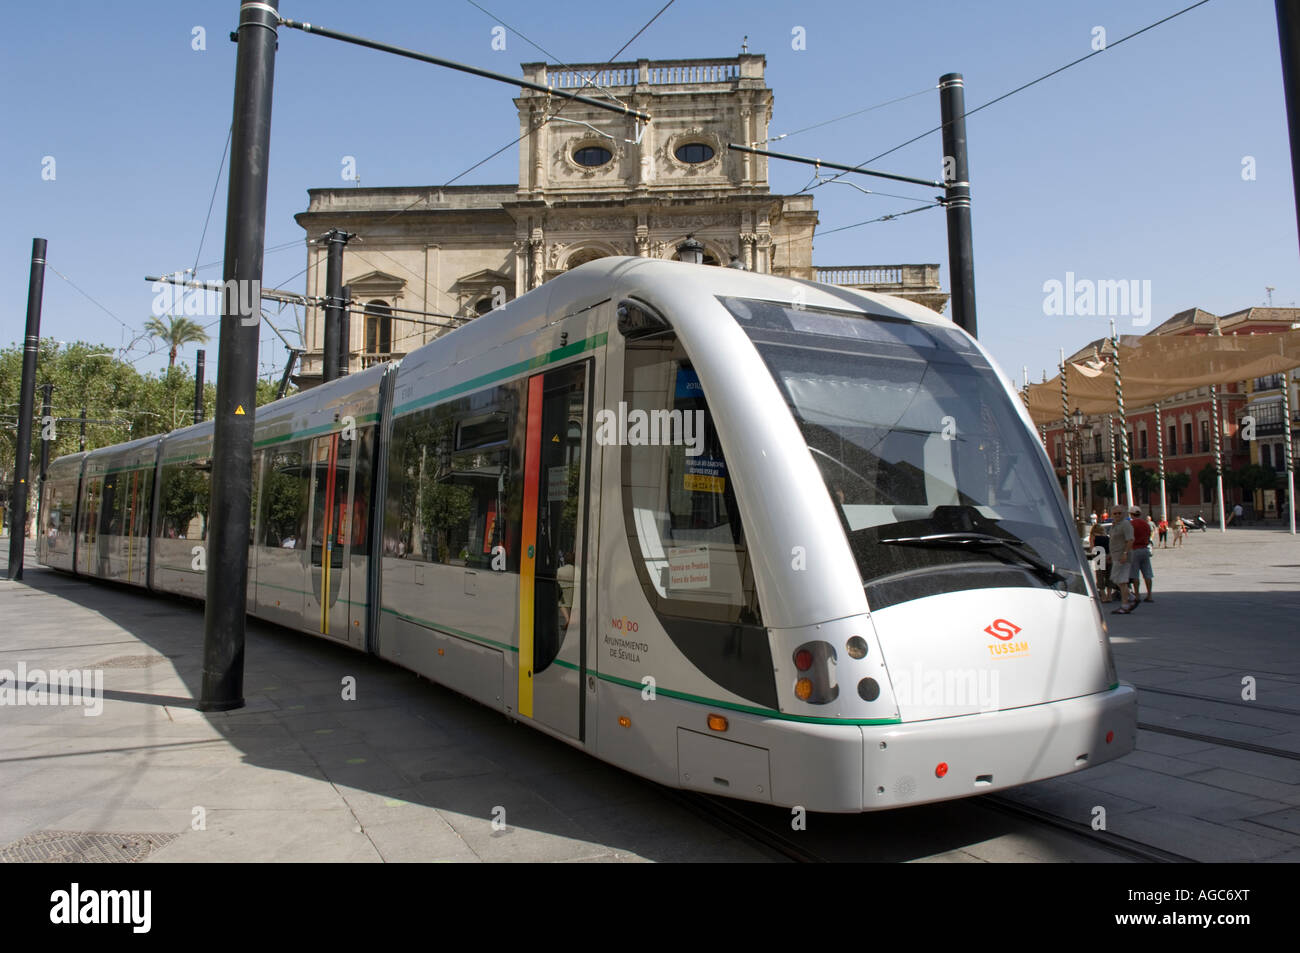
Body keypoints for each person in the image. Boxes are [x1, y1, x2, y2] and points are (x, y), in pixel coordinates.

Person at [1110, 507, 1137, 613]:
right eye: (1114, 513)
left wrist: (1125, 553)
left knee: (1121, 580)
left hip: (1123, 556)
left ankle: (1125, 604)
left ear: (1124, 514)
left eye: (1119, 513)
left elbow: (1130, 540)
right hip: (1116, 555)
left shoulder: (1125, 524)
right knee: (1115, 578)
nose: (1117, 515)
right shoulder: (1114, 525)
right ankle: (1131, 597)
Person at [1127, 505, 1155, 604]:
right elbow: (1149, 535)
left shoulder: (1130, 524)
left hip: (1135, 549)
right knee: (1147, 573)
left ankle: (1137, 595)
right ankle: (1149, 594)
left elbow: (1129, 538)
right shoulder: (1146, 524)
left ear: (1131, 514)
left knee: (1135, 574)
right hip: (1145, 549)